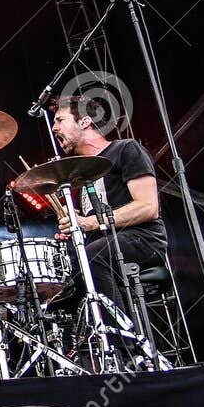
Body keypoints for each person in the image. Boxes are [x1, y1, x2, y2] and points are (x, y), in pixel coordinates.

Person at [49, 94, 167, 301]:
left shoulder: (125, 148)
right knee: (64, 287)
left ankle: (117, 324)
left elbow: (148, 207)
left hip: (142, 238)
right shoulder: (82, 173)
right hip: (102, 245)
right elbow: (95, 218)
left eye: (60, 120)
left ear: (85, 121)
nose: (54, 128)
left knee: (91, 257)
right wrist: (75, 223)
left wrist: (89, 222)